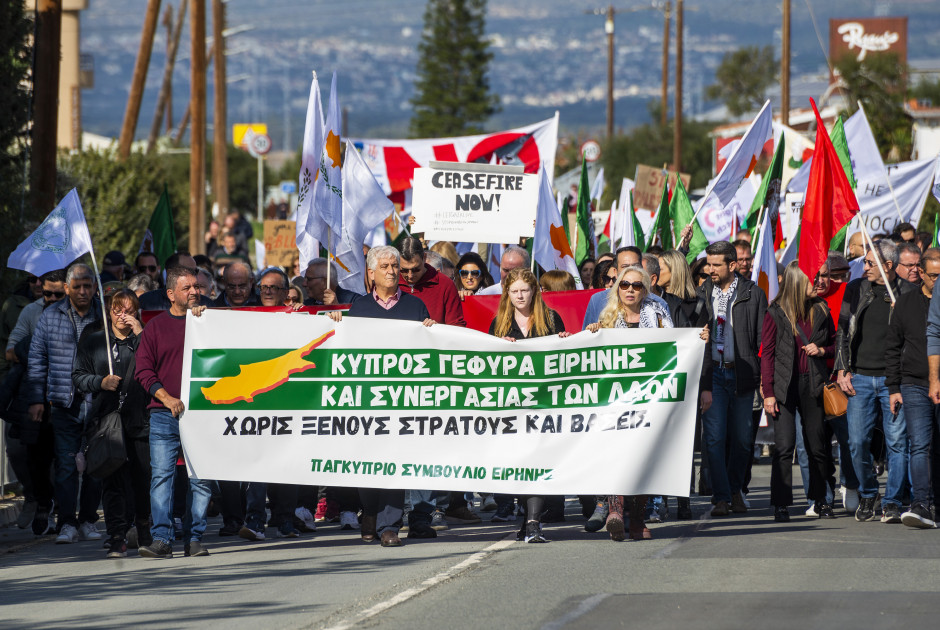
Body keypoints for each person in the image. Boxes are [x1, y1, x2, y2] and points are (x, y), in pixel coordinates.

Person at [326, 245, 435, 547]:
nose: (391, 271)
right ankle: (370, 513)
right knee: (368, 459)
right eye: (385, 266)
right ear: (371, 273)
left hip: (403, 399)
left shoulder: (416, 307)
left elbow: (430, 352)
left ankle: (390, 525)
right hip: (368, 400)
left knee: (394, 458)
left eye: (395, 266)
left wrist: (431, 330)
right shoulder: (359, 309)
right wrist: (334, 323)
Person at [587, 266, 678, 541]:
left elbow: (675, 346)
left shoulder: (659, 316)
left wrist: (698, 341)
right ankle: (615, 513)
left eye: (636, 286)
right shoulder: (607, 317)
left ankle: (637, 520)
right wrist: (592, 333)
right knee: (617, 455)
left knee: (643, 458)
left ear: (645, 290)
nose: (629, 290)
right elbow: (592, 356)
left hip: (650, 400)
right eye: (624, 285)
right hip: (616, 401)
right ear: (618, 288)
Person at [135, 267, 214, 558]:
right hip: (163, 415)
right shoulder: (155, 328)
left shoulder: (208, 322)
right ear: (170, 294)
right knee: (162, 478)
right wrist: (167, 398)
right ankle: (162, 540)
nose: (194, 291)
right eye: (187, 288)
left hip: (202, 415)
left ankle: (194, 539)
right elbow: (143, 371)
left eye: (196, 286)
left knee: (201, 478)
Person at [489, 268, 570, 543]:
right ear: (507, 294)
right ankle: (527, 519)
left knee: (537, 461)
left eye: (525, 290)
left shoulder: (551, 318)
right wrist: (499, 347)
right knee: (520, 465)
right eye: (514, 291)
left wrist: (565, 342)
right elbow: (488, 365)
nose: (520, 296)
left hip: (543, 405)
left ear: (535, 290)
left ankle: (534, 522)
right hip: (512, 408)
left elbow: (563, 359)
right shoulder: (499, 323)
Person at [836, 239, 914, 522]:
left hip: (894, 381)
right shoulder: (856, 289)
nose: (864, 267)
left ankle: (892, 501)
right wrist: (842, 368)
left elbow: (915, 337)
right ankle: (869, 493)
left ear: (888, 266)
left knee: (897, 443)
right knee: (857, 442)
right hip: (860, 378)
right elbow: (843, 330)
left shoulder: (907, 292)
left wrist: (901, 311)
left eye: (870, 263)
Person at [26, 263, 103, 544]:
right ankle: (67, 522)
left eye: (87, 286)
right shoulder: (50, 316)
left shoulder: (104, 315)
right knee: (66, 465)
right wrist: (36, 399)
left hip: (98, 401)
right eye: (77, 286)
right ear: (67, 288)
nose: (83, 291)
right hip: (63, 402)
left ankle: (89, 520)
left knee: (96, 464)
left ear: (94, 288)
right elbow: (37, 359)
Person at [72, 289, 151, 558]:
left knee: (143, 479)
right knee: (113, 480)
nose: (122, 316)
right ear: (109, 311)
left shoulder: (144, 339)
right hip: (107, 420)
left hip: (141, 420)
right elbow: (78, 376)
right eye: (117, 310)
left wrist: (140, 334)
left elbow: (158, 367)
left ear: (137, 312)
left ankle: (144, 530)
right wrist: (100, 382)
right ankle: (117, 535)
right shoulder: (95, 341)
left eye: (129, 310)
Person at [761, 263, 837, 522]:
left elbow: (835, 344)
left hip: (812, 383)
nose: (817, 283)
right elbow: (767, 354)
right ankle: (781, 504)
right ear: (796, 283)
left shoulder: (821, 309)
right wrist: (768, 392)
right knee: (784, 446)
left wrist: (823, 350)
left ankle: (820, 500)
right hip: (783, 387)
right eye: (811, 279)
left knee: (817, 445)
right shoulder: (775, 312)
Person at [698, 241, 767, 517]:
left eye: (716, 265)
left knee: (742, 439)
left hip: (742, 375)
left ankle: (736, 489)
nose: (710, 269)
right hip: (713, 373)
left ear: (732, 265)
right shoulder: (702, 293)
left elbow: (762, 339)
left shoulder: (753, 293)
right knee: (714, 439)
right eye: (708, 264)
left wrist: (763, 378)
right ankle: (722, 497)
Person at [888, 248, 940, 528]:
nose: (938, 281)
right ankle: (921, 503)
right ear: (921, 272)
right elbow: (893, 347)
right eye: (934, 276)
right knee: (919, 444)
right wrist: (893, 387)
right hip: (914, 384)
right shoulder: (906, 303)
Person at [398, 237, 466, 327]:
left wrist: (437, 328)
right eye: (404, 270)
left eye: (416, 269)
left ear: (424, 258)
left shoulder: (445, 284)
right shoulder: (390, 283)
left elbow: (457, 326)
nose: (410, 275)